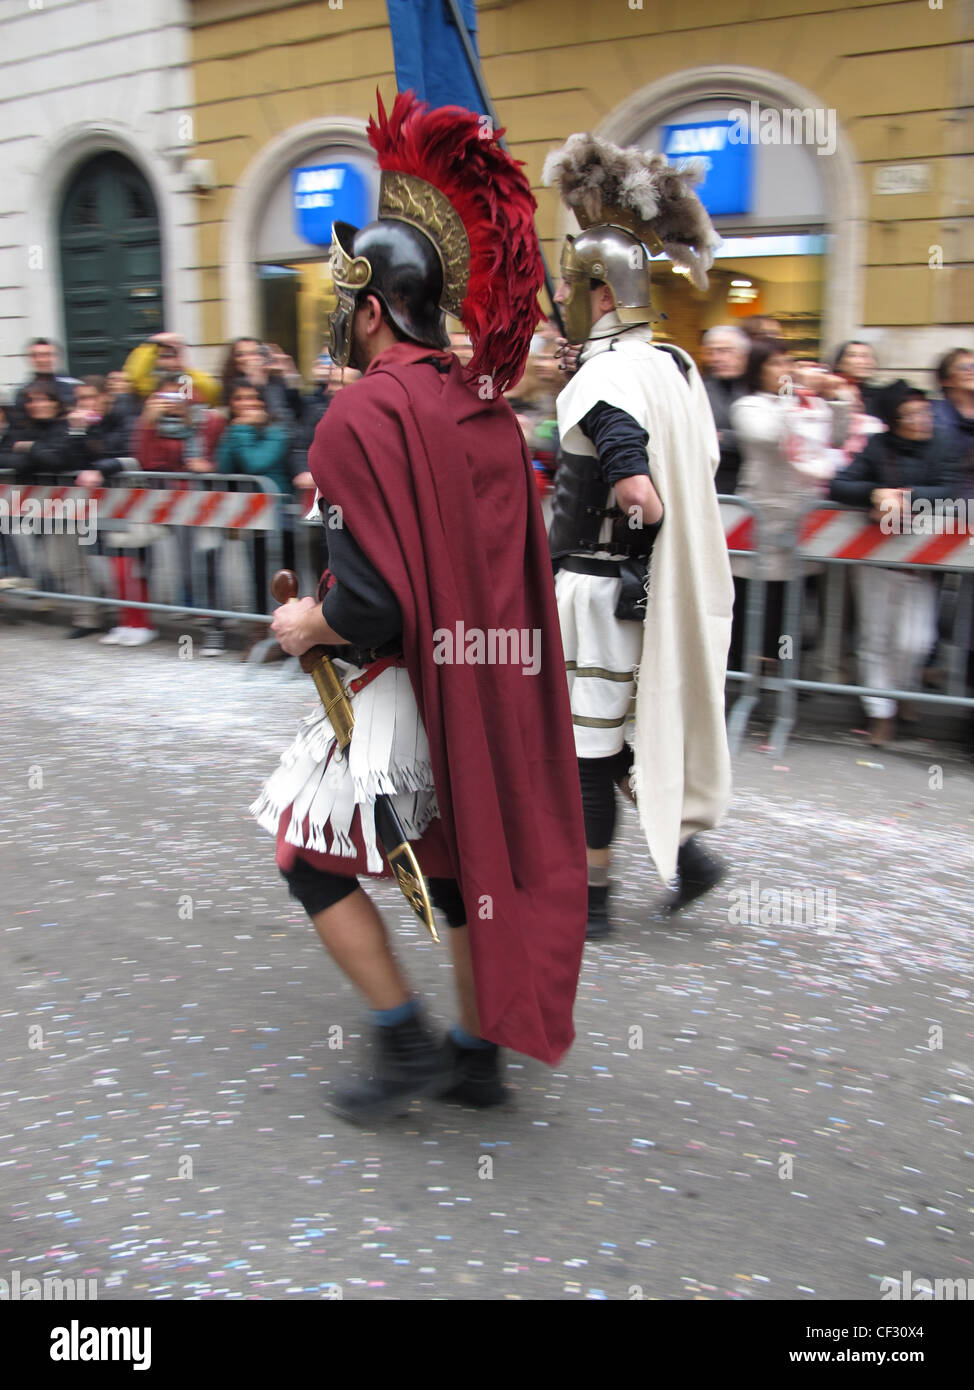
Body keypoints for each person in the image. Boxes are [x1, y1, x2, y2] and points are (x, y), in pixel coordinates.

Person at [251, 93, 587, 1124]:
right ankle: (478, 1057)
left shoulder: (359, 413)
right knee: (457, 866)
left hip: (407, 679)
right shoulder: (484, 408)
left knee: (304, 855)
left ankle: (401, 1042)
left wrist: (312, 623)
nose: (338, 321)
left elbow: (379, 600)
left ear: (369, 304)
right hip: (490, 689)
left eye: (342, 300)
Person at [542, 130, 733, 935]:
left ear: (594, 291)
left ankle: (592, 905)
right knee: (619, 732)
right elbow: (702, 456)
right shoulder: (676, 363)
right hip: (644, 591)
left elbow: (639, 490)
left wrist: (636, 535)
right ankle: (689, 860)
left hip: (598, 588)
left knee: (588, 752)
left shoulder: (606, 379)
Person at [829, 381, 962, 746]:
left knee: (915, 641)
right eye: (910, 415)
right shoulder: (877, 446)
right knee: (876, 637)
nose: (921, 420)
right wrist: (874, 492)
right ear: (892, 420)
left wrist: (904, 496)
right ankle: (880, 712)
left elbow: (949, 489)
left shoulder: (944, 446)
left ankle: (902, 690)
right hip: (875, 559)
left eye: (924, 411)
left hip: (923, 563)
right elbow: (838, 486)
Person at [701, 325, 750, 494]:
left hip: (751, 486)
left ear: (743, 355)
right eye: (711, 352)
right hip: (714, 486)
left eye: (725, 351)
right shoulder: (698, 390)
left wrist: (722, 436)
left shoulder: (756, 389)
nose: (717, 358)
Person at [11, 339, 79, 425]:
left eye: (46, 355)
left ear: (56, 358)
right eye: (35, 355)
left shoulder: (73, 387)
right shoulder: (21, 391)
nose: (41, 360)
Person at [931, 347, 974, 460]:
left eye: (973, 366)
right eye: (963, 368)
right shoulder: (932, 415)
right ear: (946, 380)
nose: (971, 371)